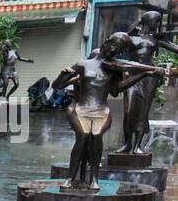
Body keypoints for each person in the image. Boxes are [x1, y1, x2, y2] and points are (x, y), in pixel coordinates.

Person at [50, 32, 169, 191]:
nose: (114, 51)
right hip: (82, 109)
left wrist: (144, 74)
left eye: (118, 50)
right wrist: (62, 75)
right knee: (84, 135)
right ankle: (70, 178)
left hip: (101, 110)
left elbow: (116, 90)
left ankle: (94, 178)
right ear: (106, 42)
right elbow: (57, 86)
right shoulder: (83, 64)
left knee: (97, 136)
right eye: (113, 45)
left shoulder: (115, 70)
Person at [120, 10, 178, 154]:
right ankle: (127, 143)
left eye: (158, 22)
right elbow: (116, 44)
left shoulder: (156, 40)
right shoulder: (131, 38)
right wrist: (133, 28)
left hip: (149, 77)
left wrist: (167, 40)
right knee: (129, 111)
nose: (156, 24)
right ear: (147, 21)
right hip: (133, 76)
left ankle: (137, 145)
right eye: (155, 21)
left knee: (143, 111)